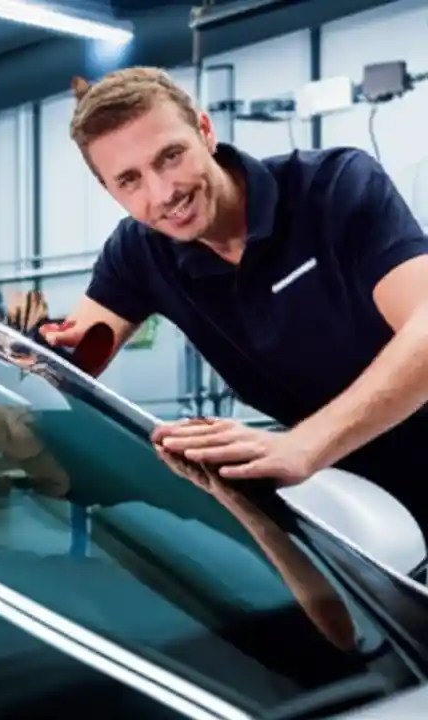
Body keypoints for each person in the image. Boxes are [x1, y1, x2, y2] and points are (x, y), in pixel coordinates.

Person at [39, 66, 428, 537]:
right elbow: (75, 352)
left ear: (205, 131)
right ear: (109, 190)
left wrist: (303, 445)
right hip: (363, 507)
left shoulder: (333, 189)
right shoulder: (140, 251)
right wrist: (38, 356)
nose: (163, 194)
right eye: (129, 180)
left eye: (170, 156)